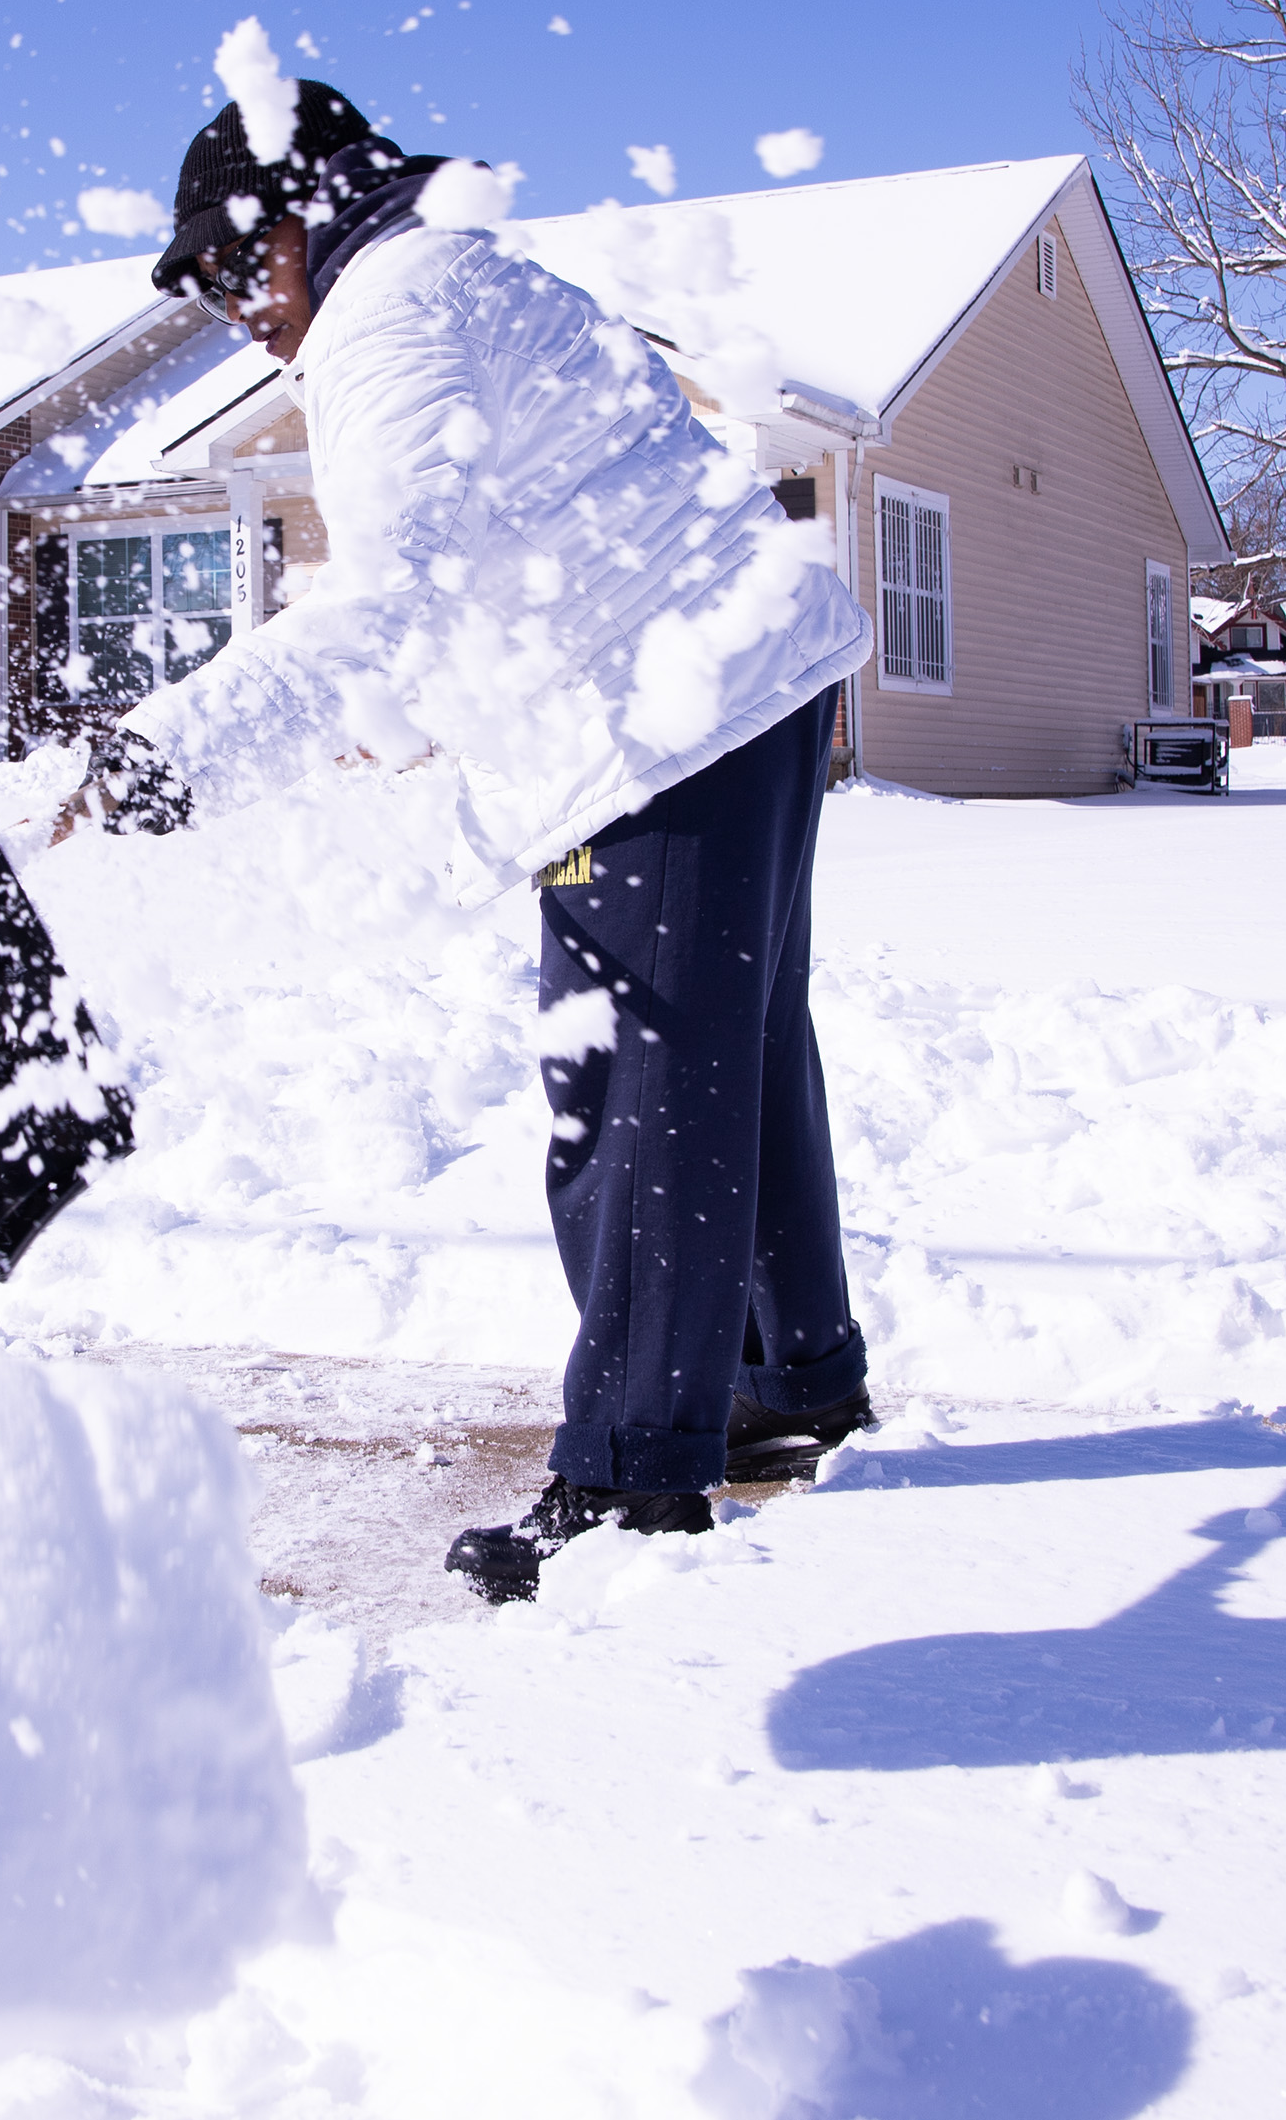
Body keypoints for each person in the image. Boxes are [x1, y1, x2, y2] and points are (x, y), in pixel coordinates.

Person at [57, 83, 876, 1602]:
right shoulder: (464, 276)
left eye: (234, 265)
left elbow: (388, 604)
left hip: (659, 723)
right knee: (735, 1050)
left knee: (632, 1080)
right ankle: (791, 1374)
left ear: (304, 214)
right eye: (204, 285)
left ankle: (638, 1478)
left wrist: (163, 752)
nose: (232, 309)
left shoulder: (389, 315)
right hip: (737, 682)